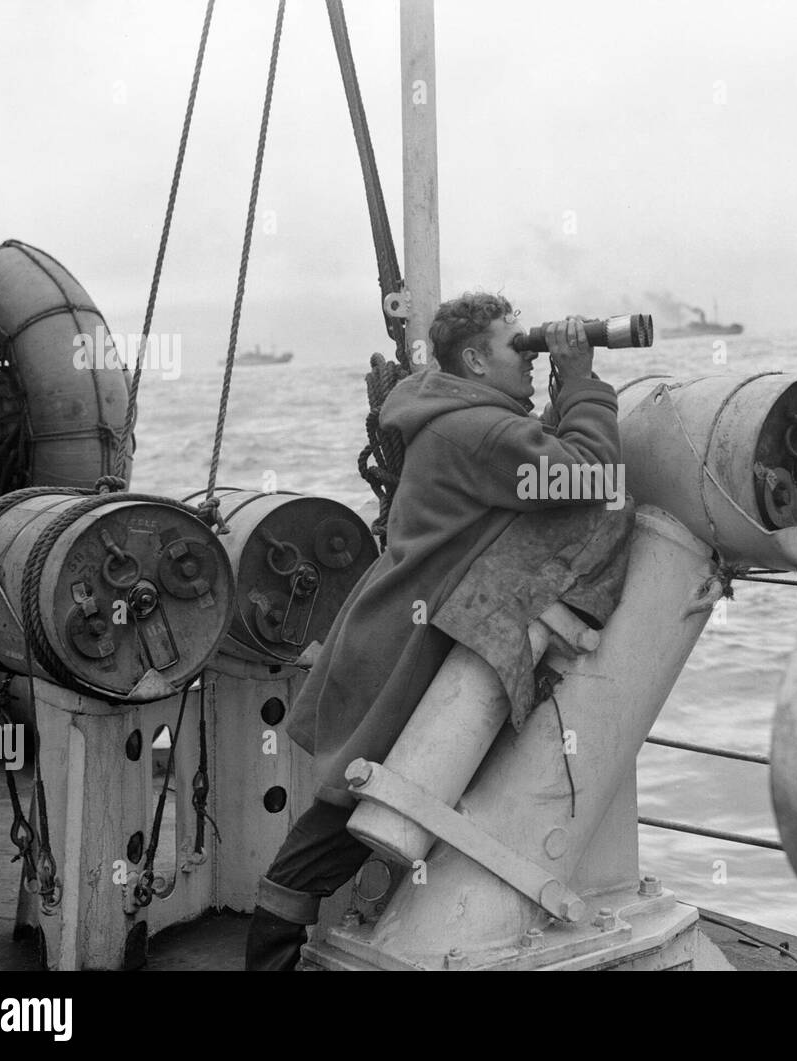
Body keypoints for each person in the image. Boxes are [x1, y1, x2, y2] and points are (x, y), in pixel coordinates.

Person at [245, 292, 622, 970]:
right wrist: (587, 380)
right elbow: (590, 474)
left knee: (359, 805)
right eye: (519, 345)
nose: (530, 358)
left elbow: (544, 455)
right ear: (475, 359)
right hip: (401, 649)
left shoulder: (454, 413)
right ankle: (267, 961)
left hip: (387, 628)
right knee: (348, 815)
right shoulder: (480, 433)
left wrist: (566, 386)